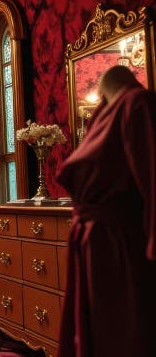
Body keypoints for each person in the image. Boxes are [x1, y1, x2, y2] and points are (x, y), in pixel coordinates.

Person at [56, 65, 156, 356]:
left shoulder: (138, 104)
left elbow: (152, 176)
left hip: (119, 243)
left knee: (120, 330)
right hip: (93, 242)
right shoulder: (101, 115)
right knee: (94, 330)